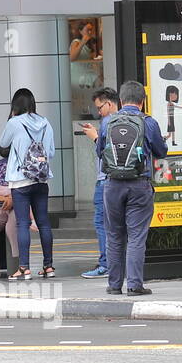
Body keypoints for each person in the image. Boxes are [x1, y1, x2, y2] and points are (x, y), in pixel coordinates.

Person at [97, 80, 168, 296]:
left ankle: (114, 285)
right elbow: (161, 151)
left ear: (120, 100)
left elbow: (100, 151)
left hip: (112, 185)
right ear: (143, 101)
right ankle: (135, 285)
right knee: (136, 236)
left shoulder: (107, 122)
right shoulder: (149, 122)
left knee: (114, 235)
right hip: (139, 184)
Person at [0, 88, 55, 280]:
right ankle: (48, 266)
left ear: (15, 105)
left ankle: (24, 267)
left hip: (20, 179)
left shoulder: (14, 123)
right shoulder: (45, 123)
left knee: (23, 223)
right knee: (44, 223)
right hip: (41, 178)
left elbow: (2, 143)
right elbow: (51, 152)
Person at [79, 87, 119, 278]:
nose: (98, 112)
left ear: (109, 104)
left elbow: (105, 151)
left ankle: (105, 264)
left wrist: (94, 137)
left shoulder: (108, 122)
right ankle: (117, 263)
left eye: (100, 107)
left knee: (102, 223)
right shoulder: (125, 120)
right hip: (121, 179)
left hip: (105, 179)